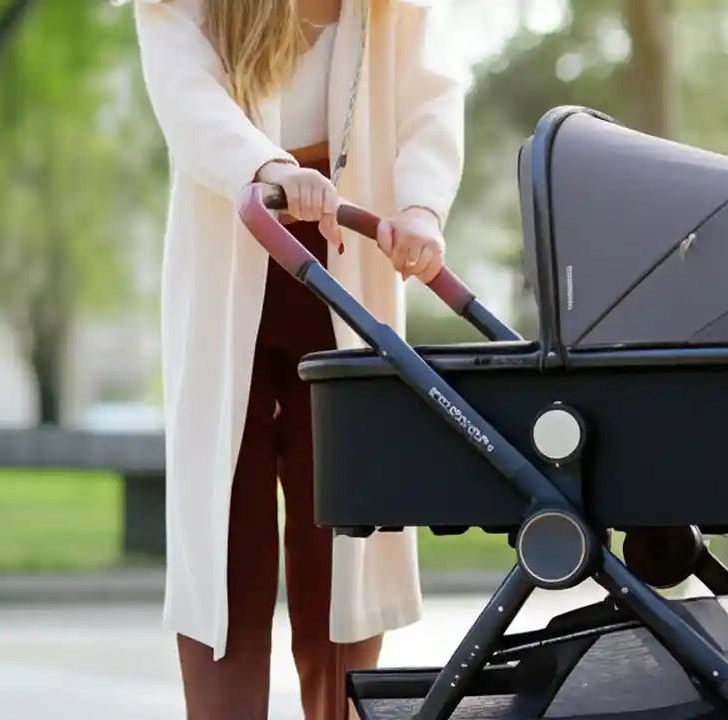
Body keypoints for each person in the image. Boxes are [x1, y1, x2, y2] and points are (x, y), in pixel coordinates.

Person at [118, 0, 463, 717]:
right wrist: (268, 165)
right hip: (232, 287)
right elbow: (187, 99)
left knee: (339, 543)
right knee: (227, 544)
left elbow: (429, 102)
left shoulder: (390, 13)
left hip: (342, 286)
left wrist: (423, 209)